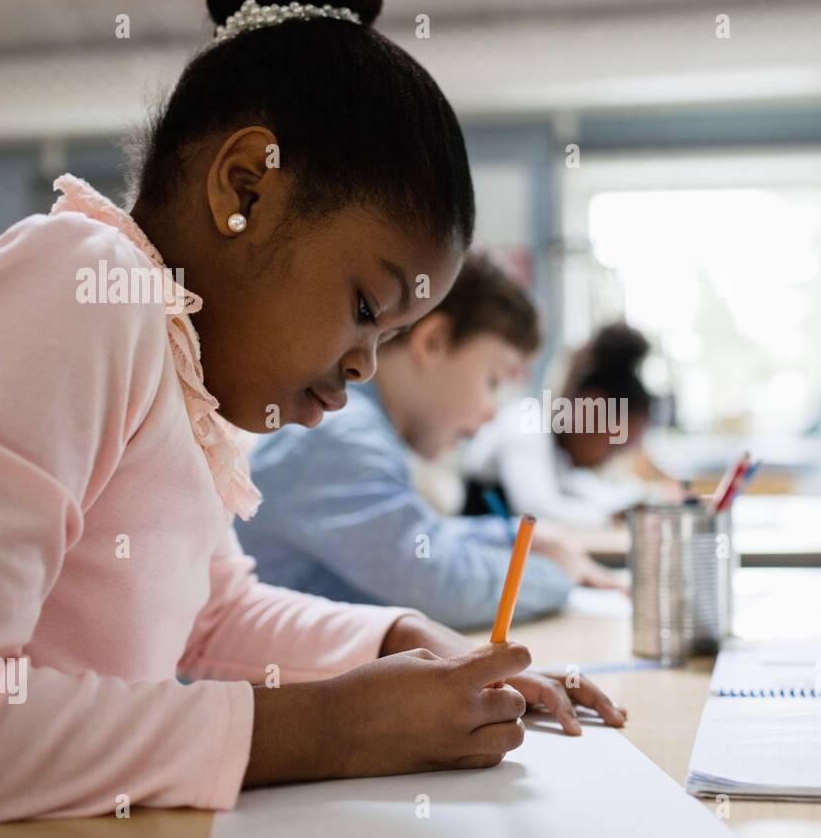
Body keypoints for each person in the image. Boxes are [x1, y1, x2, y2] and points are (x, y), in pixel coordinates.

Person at [0, 0, 622, 824]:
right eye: (368, 308)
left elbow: (211, 617)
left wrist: (406, 644)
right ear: (246, 190)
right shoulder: (84, 287)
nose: (366, 365)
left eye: (394, 333)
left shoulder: (172, 354)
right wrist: (332, 728)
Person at [240, 253, 622, 630]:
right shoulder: (338, 435)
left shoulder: (358, 428)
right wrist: (557, 574)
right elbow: (440, 585)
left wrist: (513, 539)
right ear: (433, 342)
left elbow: (422, 538)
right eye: (492, 381)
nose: (491, 413)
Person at [462, 323, 656, 528]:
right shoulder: (526, 426)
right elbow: (536, 511)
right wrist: (611, 518)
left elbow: (586, 490)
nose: (607, 460)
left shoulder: (558, 451)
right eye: (612, 447)